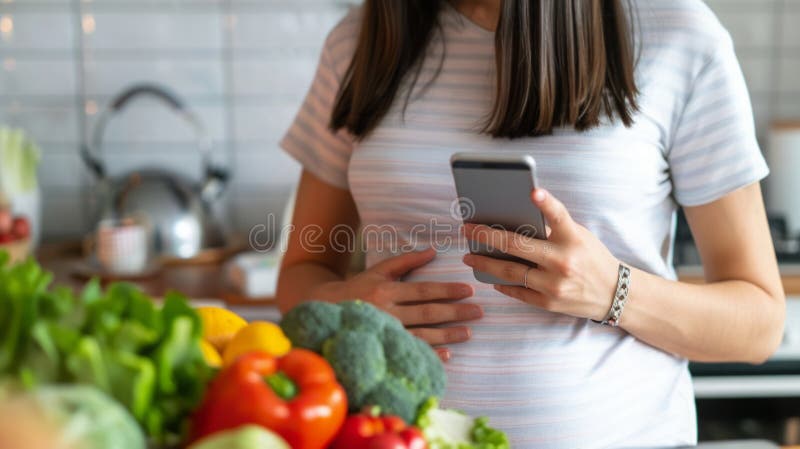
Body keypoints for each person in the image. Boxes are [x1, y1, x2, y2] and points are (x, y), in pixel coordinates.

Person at [276, 1, 785, 447]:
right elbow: (302, 271)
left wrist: (614, 292)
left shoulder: (679, 33)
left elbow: (758, 325)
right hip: (394, 439)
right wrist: (349, 309)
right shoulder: (358, 42)